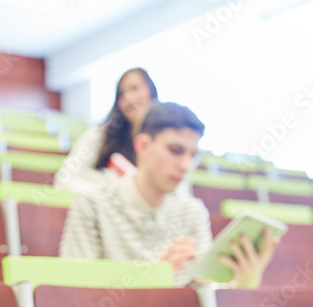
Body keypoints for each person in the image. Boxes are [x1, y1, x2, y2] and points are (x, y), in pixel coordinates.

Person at [59, 101, 276, 288]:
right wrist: (156, 276)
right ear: (143, 146)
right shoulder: (91, 205)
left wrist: (244, 283)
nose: (186, 165)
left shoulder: (192, 212)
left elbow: (202, 298)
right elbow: (75, 297)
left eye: (193, 155)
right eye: (175, 150)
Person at [54, 67, 159, 194]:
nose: (129, 98)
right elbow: (64, 180)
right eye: (121, 94)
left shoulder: (164, 142)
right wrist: (109, 193)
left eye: (135, 88)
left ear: (151, 90)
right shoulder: (99, 135)